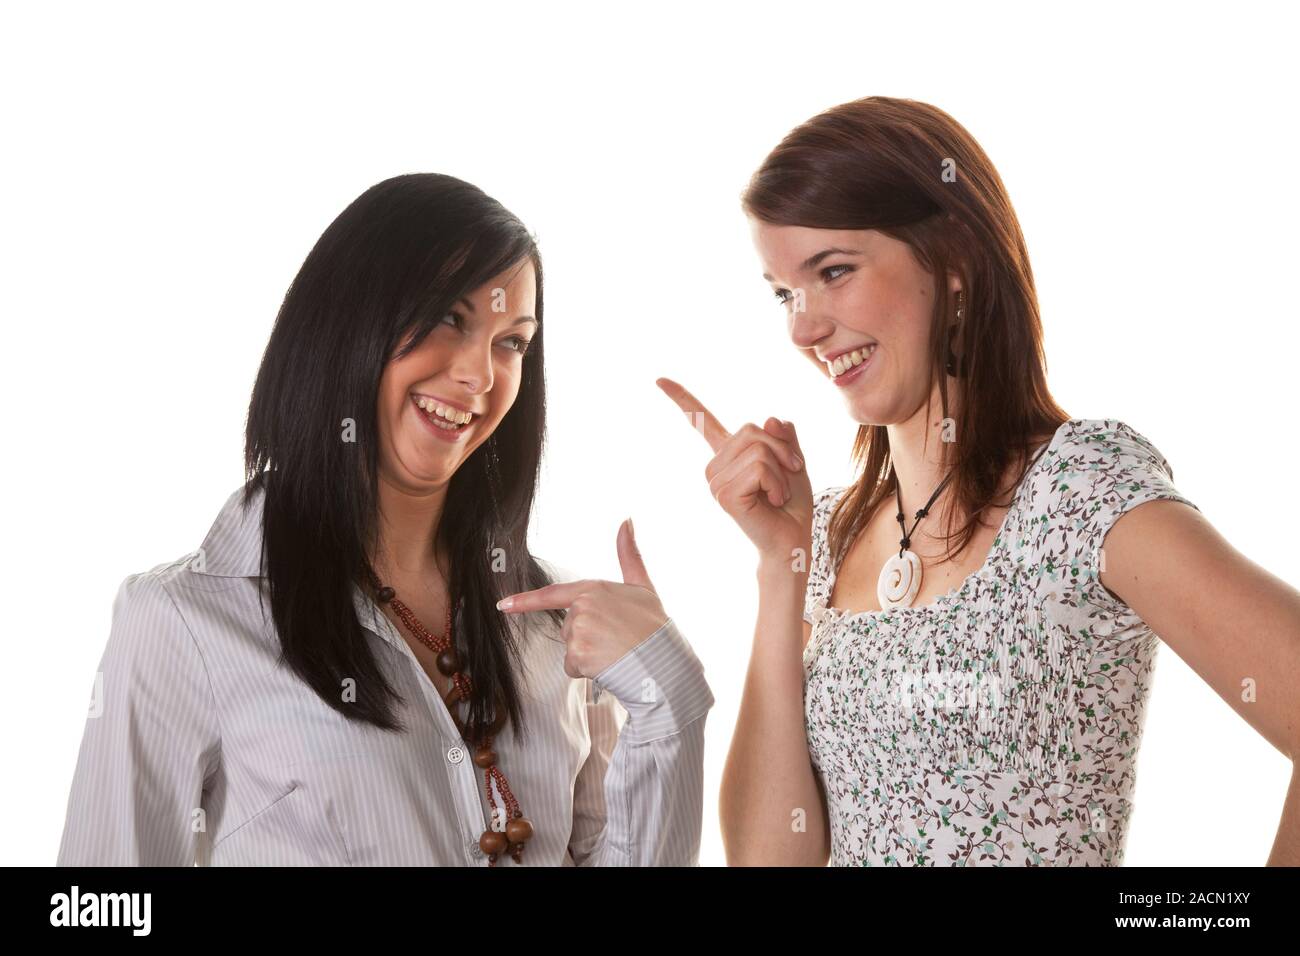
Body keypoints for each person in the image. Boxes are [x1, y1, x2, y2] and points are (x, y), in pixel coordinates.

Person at [659, 96, 1300, 866]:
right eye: (783, 292)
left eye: (833, 272)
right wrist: (779, 564)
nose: (802, 326)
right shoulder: (828, 533)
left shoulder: (1079, 492)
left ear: (953, 258)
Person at [58, 173, 713, 866]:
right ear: (345, 325)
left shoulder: (561, 628)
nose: (480, 376)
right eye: (447, 319)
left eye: (511, 343)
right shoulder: (183, 621)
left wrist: (665, 691)